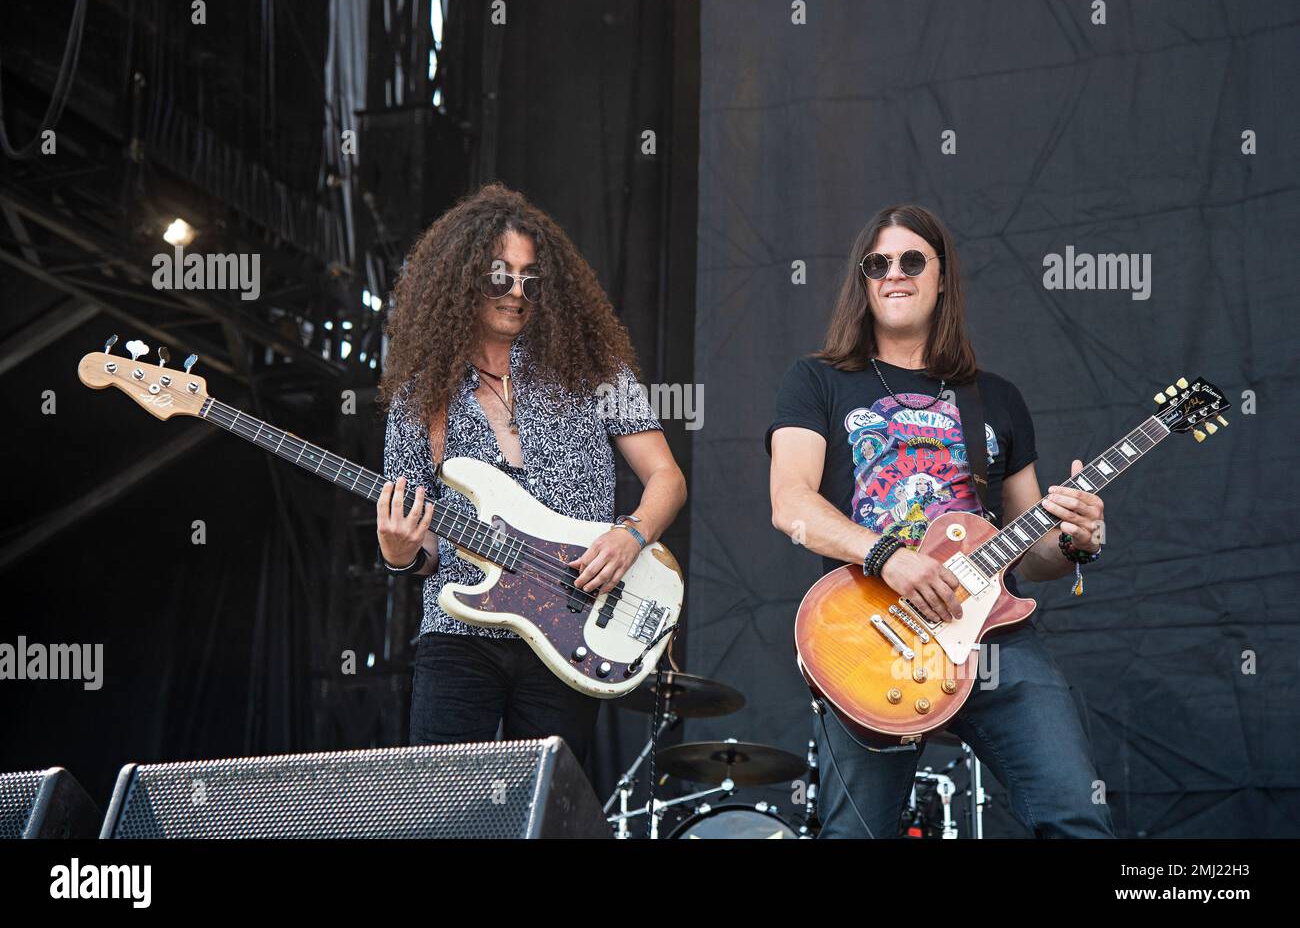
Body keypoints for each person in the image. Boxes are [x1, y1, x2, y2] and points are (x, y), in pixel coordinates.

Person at [767, 204, 1114, 837]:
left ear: (943, 276)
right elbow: (791, 506)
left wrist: (1072, 540)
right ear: (863, 280)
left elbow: (1030, 554)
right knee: (856, 835)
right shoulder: (816, 380)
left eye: (911, 260)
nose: (893, 274)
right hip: (876, 631)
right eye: (878, 264)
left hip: (992, 639)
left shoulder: (997, 397)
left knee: (1077, 817)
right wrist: (888, 556)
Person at [377, 182, 687, 764]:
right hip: (461, 634)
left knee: (546, 815)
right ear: (461, 279)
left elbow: (668, 478)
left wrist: (631, 534)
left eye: (530, 279)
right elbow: (421, 551)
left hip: (571, 628)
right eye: (500, 276)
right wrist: (399, 553)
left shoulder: (594, 369)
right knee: (444, 814)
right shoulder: (422, 395)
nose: (517, 291)